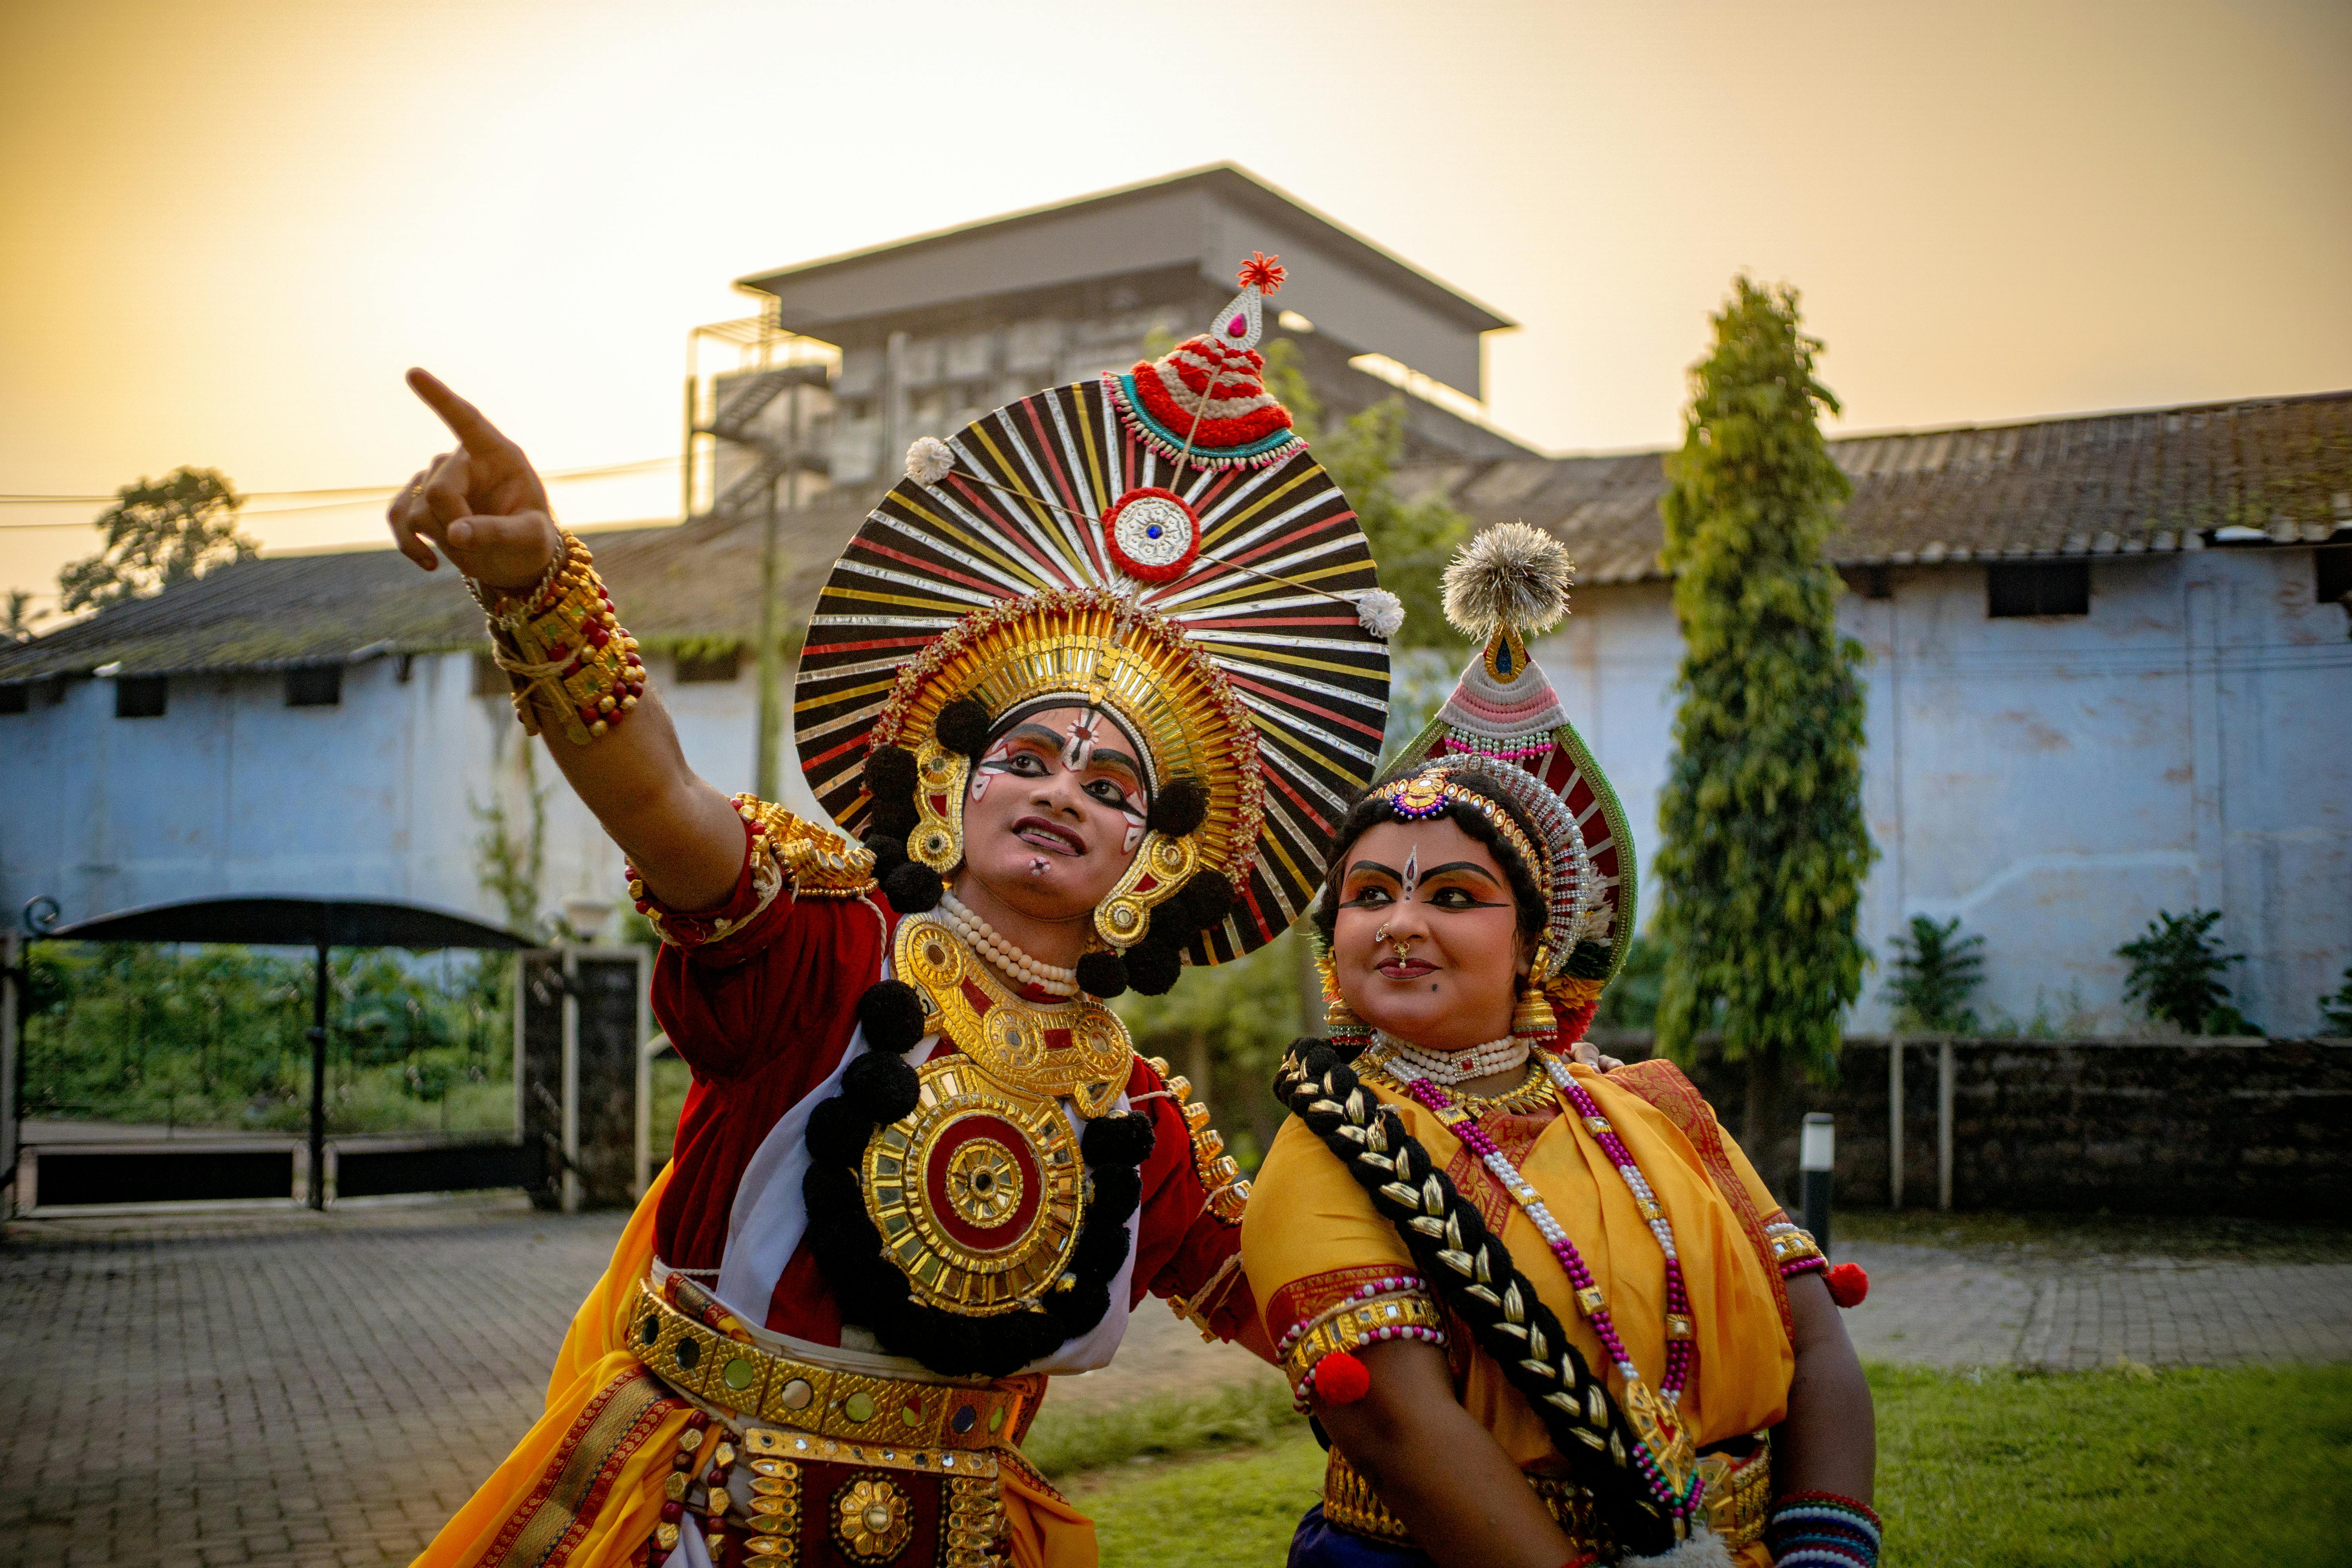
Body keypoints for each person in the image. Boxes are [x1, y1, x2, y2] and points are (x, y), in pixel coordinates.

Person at [396, 257, 1402, 1568]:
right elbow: (650, 791)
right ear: (948, 785)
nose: (1059, 795)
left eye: (1110, 787)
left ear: (1153, 863)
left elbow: (1322, 1315)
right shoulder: (818, 940)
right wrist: (539, 589)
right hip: (699, 1524)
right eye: (1027, 760)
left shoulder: (1143, 1121)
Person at [1242, 524, 1879, 1568]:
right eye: (1367, 897)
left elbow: (1813, 1339)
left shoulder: (1661, 1107)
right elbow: (1398, 1424)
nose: (1400, 924)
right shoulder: (1329, 1149)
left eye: (1452, 896)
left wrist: (1822, 1550)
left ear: (1536, 944)